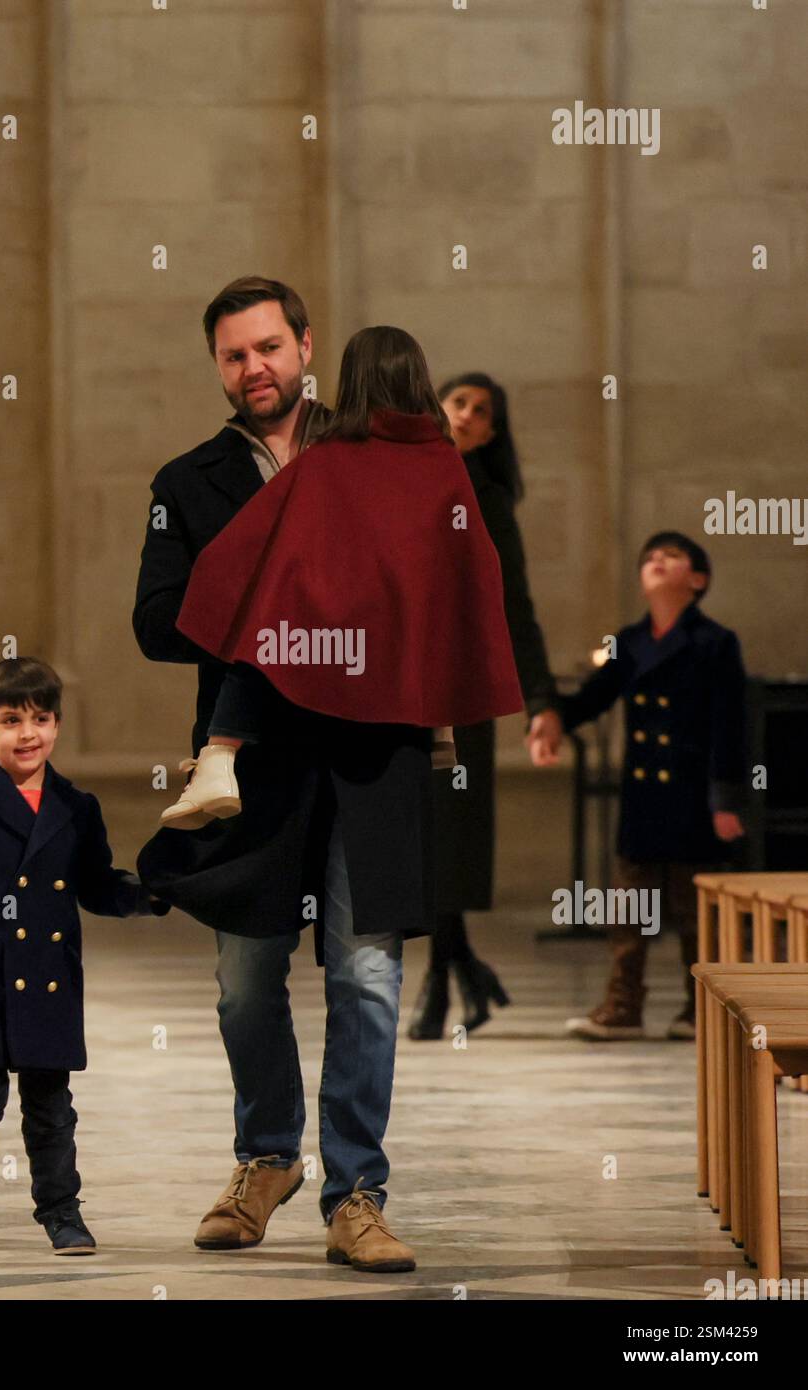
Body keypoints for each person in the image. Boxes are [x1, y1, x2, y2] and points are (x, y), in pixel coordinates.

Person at [132, 278, 522, 1273]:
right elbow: (155, 619)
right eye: (232, 355)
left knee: (368, 977)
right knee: (245, 985)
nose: (253, 367)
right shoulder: (188, 478)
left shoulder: (389, 456)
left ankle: (356, 1191)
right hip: (255, 757)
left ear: (306, 347)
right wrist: (277, 577)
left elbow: (456, 576)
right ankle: (267, 1158)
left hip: (375, 751)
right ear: (217, 367)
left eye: (268, 346)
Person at [157, 347, 522, 831]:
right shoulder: (440, 458)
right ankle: (439, 725)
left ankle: (219, 754)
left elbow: (263, 536)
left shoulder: (331, 454)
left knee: (265, 626)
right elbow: (468, 560)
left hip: (330, 632)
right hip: (400, 643)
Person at [0, 657, 168, 1267]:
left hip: (49, 980)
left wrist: (149, 896)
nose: (28, 733)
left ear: (58, 725)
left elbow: (95, 885)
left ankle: (62, 1214)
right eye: (11, 719)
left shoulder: (76, 805)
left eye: (41, 719)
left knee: (51, 1108)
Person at [408, 372, 562, 1040]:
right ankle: (465, 970)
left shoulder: (490, 499)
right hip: (403, 686)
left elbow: (514, 606)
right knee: (425, 837)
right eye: (459, 402)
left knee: (451, 835)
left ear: (493, 432)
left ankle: (440, 984)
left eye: (482, 412)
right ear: (437, 408)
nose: (467, 415)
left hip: (464, 689)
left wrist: (542, 702)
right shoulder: (401, 482)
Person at [548, 534, 747, 1040]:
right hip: (642, 799)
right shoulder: (629, 642)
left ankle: (701, 1010)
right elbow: (592, 699)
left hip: (693, 797)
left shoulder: (716, 642)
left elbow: (730, 726)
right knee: (628, 908)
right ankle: (623, 1006)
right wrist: (547, 714)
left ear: (697, 580)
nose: (656, 561)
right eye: (649, 557)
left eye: (671, 556)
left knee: (694, 914)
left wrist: (725, 799)